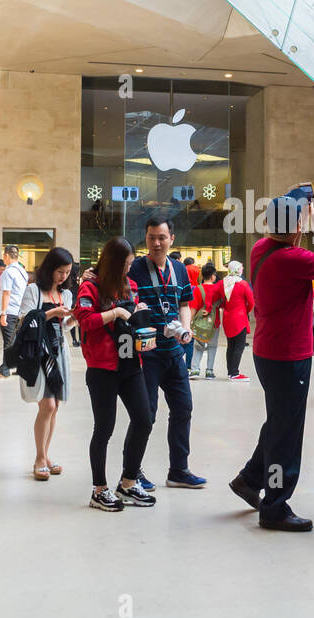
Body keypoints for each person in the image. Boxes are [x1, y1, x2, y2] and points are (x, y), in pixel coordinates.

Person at [229, 187, 314, 531]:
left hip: (268, 351)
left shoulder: (262, 248)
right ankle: (275, 505)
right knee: (286, 435)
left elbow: (286, 224)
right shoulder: (294, 259)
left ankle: (249, 479)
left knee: (279, 423)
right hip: (289, 355)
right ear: (296, 228)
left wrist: (301, 205)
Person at [73, 236, 157, 511]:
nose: (128, 271)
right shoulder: (90, 286)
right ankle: (99, 490)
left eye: (131, 265)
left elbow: (133, 313)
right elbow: (84, 321)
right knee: (104, 428)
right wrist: (116, 313)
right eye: (124, 265)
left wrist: (138, 311)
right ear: (112, 263)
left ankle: (128, 483)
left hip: (131, 364)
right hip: (102, 368)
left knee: (144, 421)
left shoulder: (130, 285)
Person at [128, 217, 205, 489]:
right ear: (146, 239)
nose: (156, 242)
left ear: (172, 238)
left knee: (183, 409)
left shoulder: (180, 270)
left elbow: (184, 302)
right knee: (145, 415)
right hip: (146, 355)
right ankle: (132, 472)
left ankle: (179, 470)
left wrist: (185, 329)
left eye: (161, 237)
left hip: (174, 353)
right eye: (151, 237)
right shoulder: (135, 268)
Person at [16, 247, 74, 481]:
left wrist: (72, 319)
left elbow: (64, 327)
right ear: (50, 268)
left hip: (59, 351)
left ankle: (46, 455)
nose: (63, 277)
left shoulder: (66, 295)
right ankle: (39, 458)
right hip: (39, 353)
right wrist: (51, 314)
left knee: (55, 406)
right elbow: (24, 320)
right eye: (60, 271)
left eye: (68, 272)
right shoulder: (34, 290)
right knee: (47, 406)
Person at [0, 245, 28, 379]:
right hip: (20, 310)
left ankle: (4, 369)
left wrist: (3, 313)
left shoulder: (8, 272)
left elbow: (6, 292)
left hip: (10, 311)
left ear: (6, 255)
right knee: (15, 340)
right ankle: (21, 367)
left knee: (9, 342)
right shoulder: (23, 271)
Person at [220, 260, 254, 381]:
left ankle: (231, 372)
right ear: (238, 269)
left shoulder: (223, 283)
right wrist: (246, 311)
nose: (243, 269)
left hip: (227, 318)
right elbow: (251, 302)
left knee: (231, 345)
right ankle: (235, 373)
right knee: (239, 346)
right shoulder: (243, 284)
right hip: (239, 318)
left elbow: (221, 301)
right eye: (241, 267)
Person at [189, 261, 222, 378]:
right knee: (212, 346)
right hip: (214, 322)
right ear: (213, 276)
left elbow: (193, 308)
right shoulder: (218, 289)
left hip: (199, 323)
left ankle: (195, 370)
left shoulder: (197, 289)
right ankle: (209, 371)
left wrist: (189, 322)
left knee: (198, 346)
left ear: (202, 276)